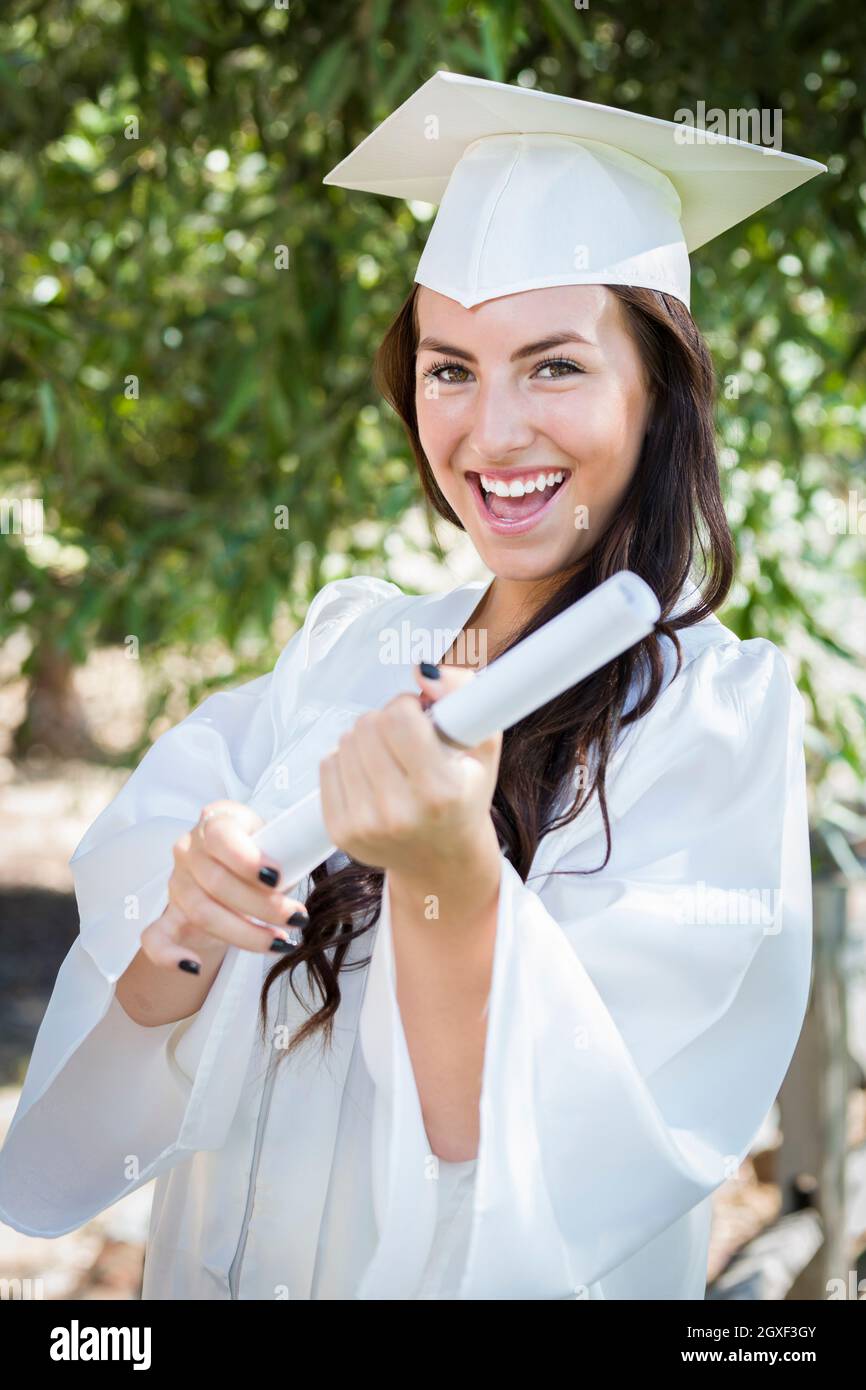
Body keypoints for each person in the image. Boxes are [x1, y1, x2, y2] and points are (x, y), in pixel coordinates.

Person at [0, 72, 825, 1300]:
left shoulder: (710, 723)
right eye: (449, 370)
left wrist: (449, 874)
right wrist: (189, 922)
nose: (489, 434)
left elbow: (520, 1179)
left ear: (659, 395)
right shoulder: (348, 651)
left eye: (552, 366)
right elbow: (120, 1083)